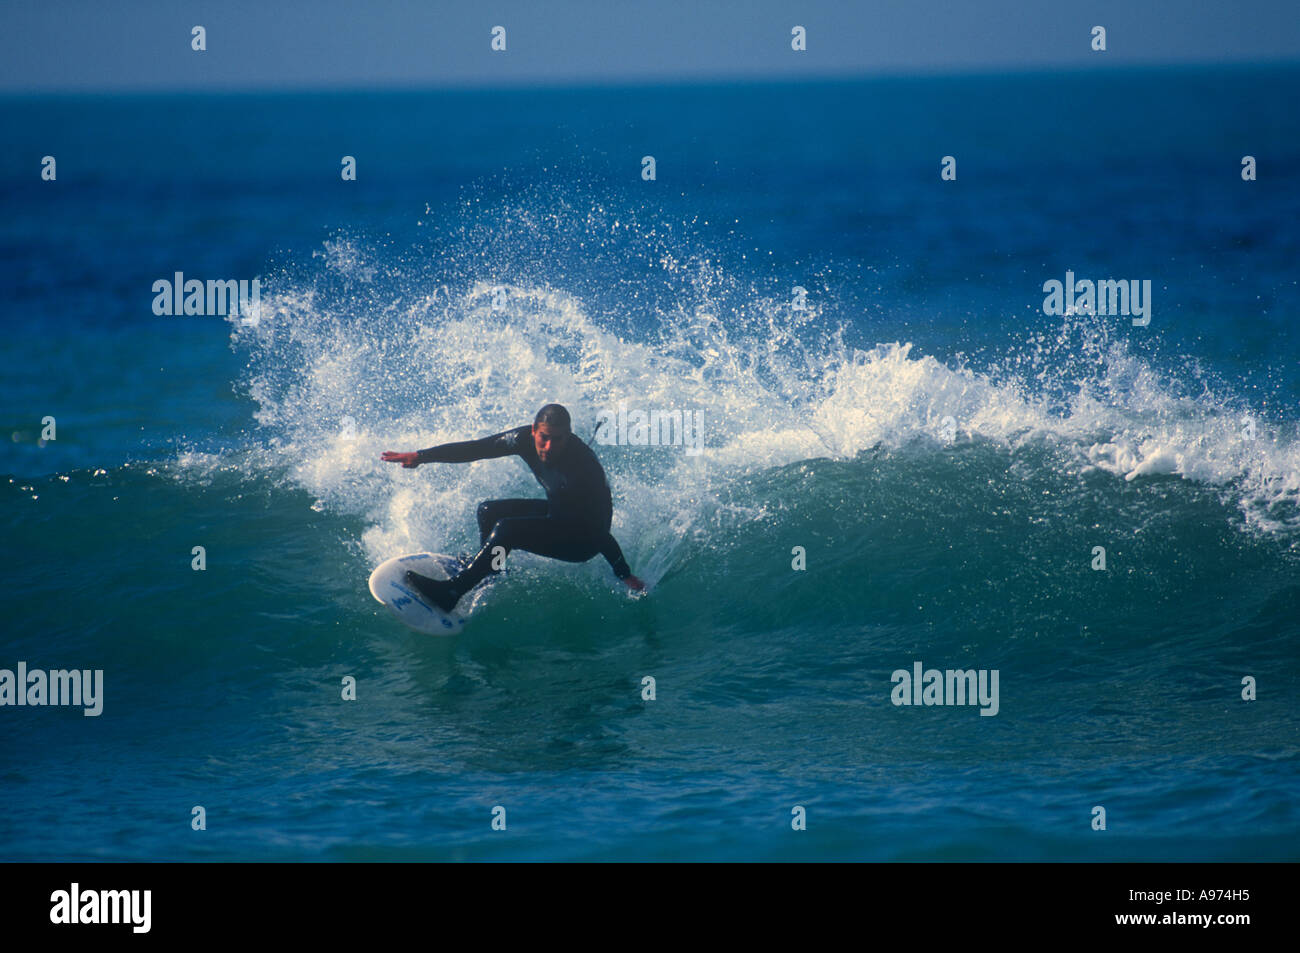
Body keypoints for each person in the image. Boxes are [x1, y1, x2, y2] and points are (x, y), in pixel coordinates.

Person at [381, 403, 645, 612]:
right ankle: (490, 570)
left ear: (570, 436)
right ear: (533, 430)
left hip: (582, 540)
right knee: (489, 511)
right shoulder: (522, 439)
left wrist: (623, 573)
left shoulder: (585, 469)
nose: (550, 447)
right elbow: (477, 449)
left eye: (559, 440)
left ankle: (452, 592)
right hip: (559, 513)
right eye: (544, 437)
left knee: (507, 530)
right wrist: (421, 456)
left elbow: (601, 532)